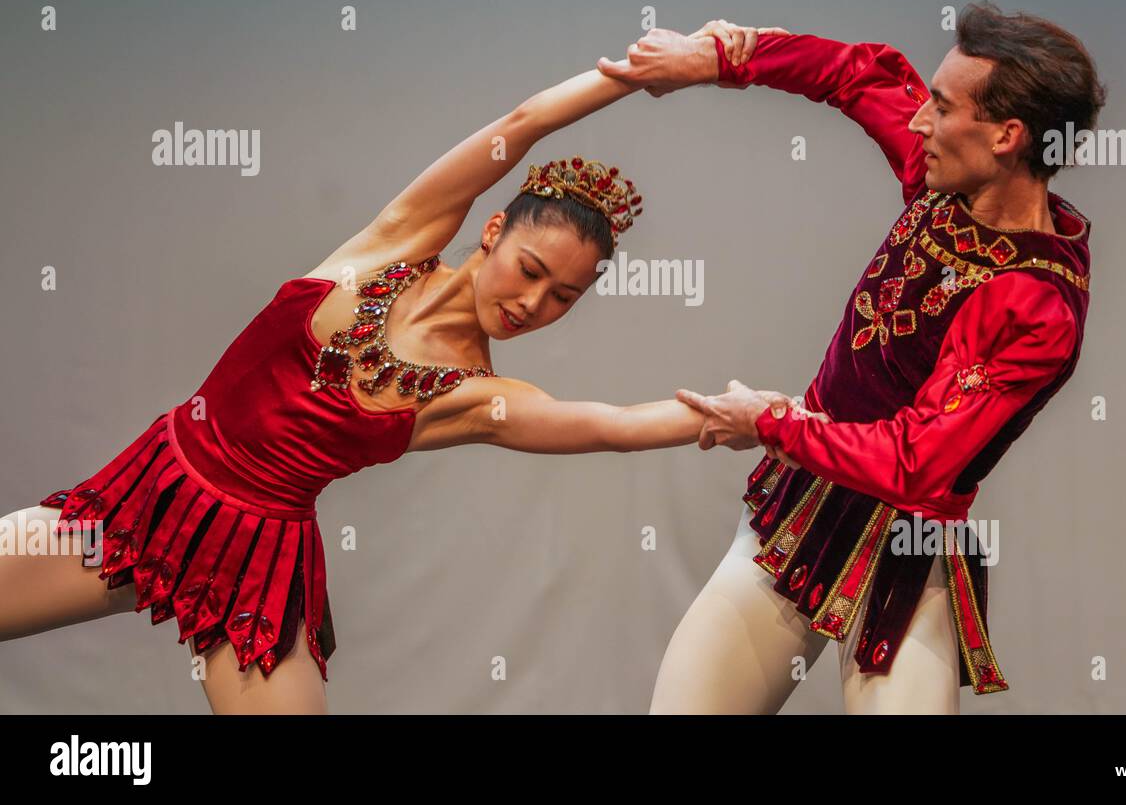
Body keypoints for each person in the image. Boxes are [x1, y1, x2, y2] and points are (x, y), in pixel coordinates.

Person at [0, 53, 759, 714]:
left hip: (255, 566)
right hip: (150, 493)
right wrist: (636, 75)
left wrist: (764, 417)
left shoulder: (478, 398)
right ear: (492, 232)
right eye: (531, 270)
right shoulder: (396, 238)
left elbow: (616, 426)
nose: (533, 304)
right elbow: (522, 121)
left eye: (563, 296)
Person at [597, 5, 1104, 713]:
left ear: (1006, 136)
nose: (919, 120)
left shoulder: (1032, 305)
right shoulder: (946, 182)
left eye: (942, 105)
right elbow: (855, 74)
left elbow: (915, 463)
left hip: (903, 548)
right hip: (800, 518)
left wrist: (773, 423)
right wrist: (716, 59)